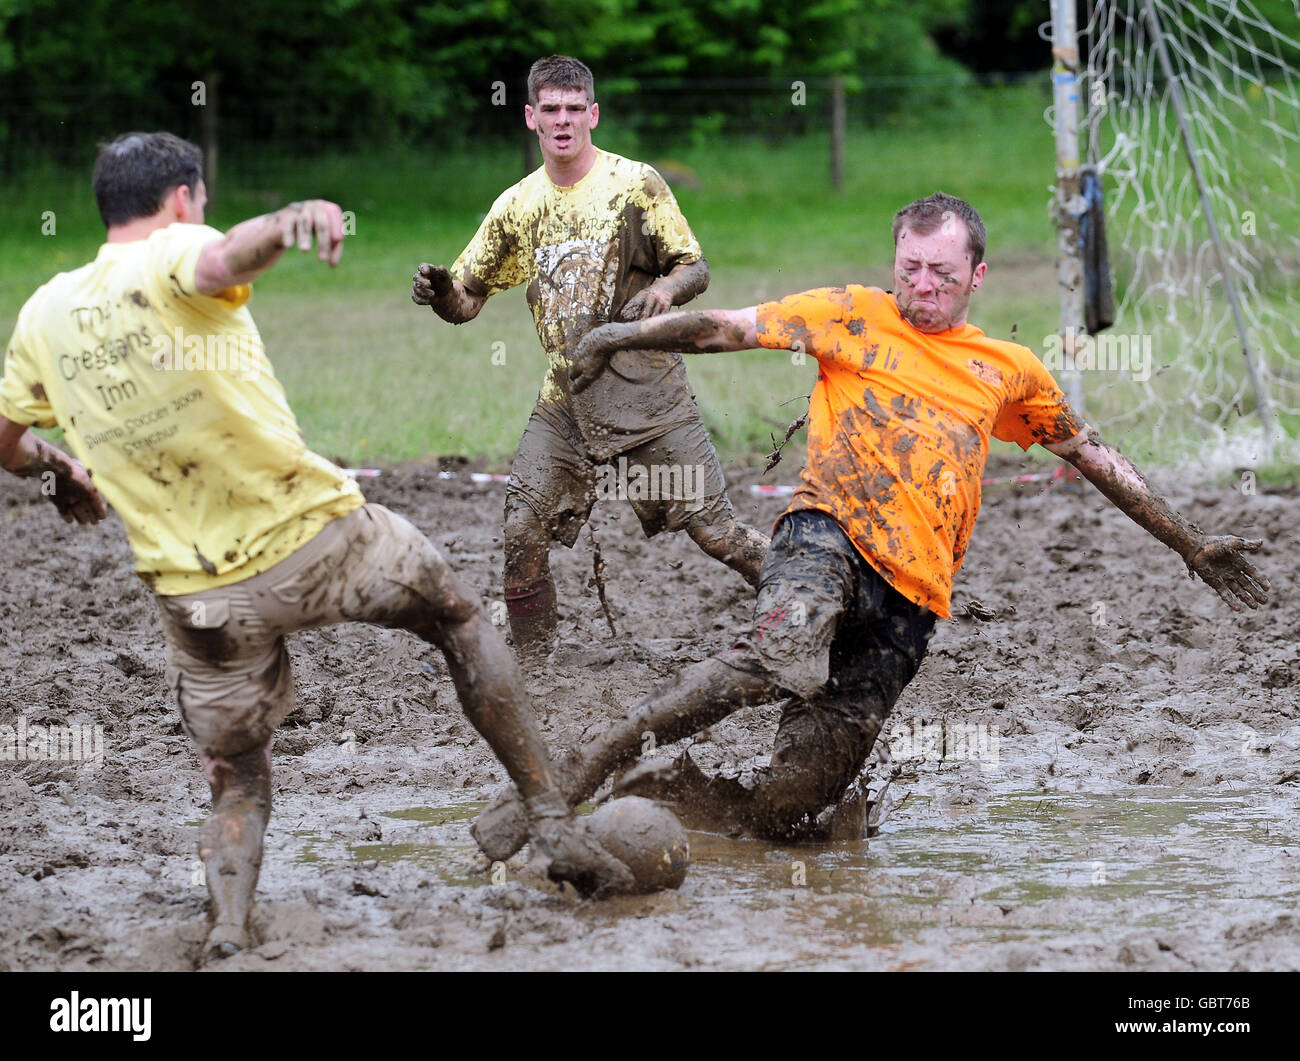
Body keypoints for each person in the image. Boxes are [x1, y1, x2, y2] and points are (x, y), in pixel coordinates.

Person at [469, 191, 1271, 856]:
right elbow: (728, 327)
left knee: (789, 809)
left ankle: (692, 808)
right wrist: (621, 333)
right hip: (826, 535)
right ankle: (583, 766)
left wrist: (1189, 543)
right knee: (781, 652)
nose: (922, 286)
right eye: (910, 269)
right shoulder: (850, 314)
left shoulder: (1009, 370)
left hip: (912, 605)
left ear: (978, 276)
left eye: (941, 274)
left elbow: (1091, 455)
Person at [0, 132, 636, 964]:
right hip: (313, 539)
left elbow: (8, 440)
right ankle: (550, 820)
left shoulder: (43, 312)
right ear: (184, 196)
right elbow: (225, 258)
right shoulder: (174, 248)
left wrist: (60, 470)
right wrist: (291, 220)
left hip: (196, 597)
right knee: (457, 617)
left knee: (237, 774)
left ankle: (228, 926)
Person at [411, 55, 768, 653]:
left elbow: (694, 266)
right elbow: (469, 298)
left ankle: (814, 602)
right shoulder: (517, 206)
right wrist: (441, 291)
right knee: (522, 523)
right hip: (567, 399)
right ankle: (534, 666)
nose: (563, 120)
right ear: (530, 117)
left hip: (646, 394)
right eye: (550, 109)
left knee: (716, 532)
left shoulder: (634, 184)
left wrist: (662, 290)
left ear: (593, 115)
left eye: (575, 108)